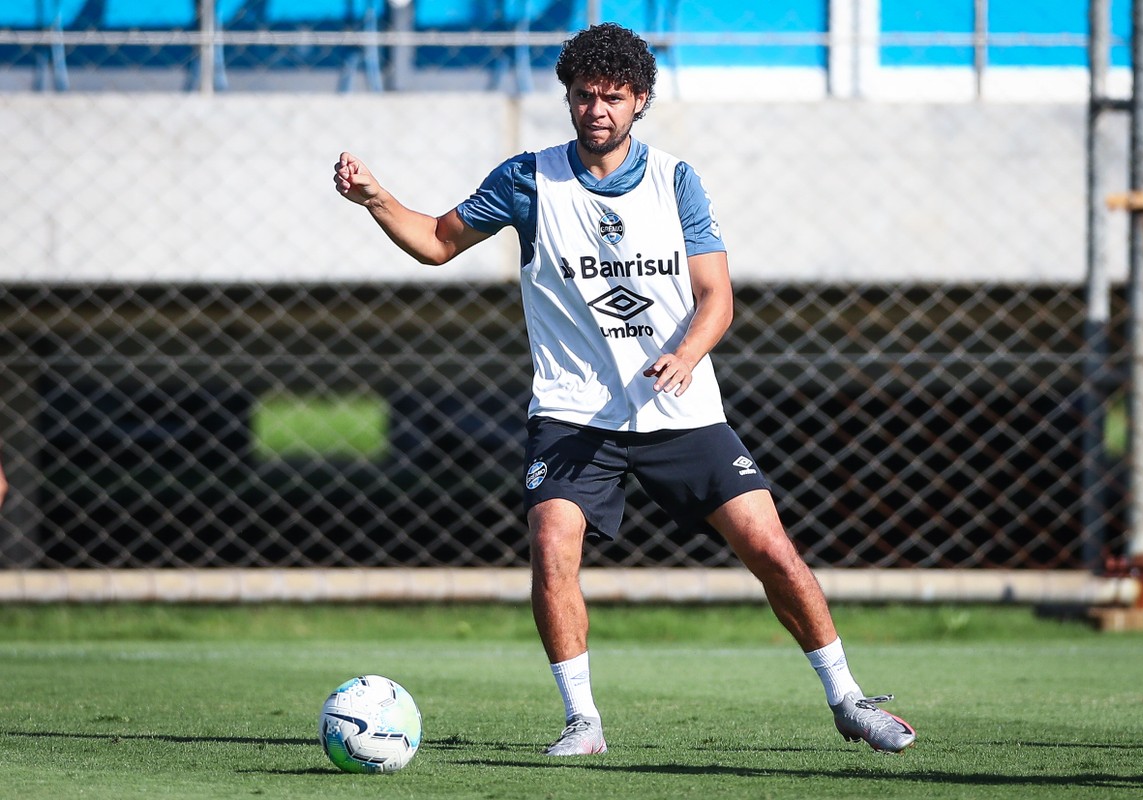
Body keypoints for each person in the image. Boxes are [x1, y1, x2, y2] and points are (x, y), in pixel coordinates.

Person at [334, 22, 916, 756]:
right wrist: (377, 198)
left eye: (613, 97)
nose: (597, 110)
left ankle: (848, 699)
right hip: (574, 413)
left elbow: (717, 299)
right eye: (584, 96)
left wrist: (686, 354)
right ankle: (583, 721)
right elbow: (438, 243)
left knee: (771, 547)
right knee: (551, 547)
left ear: (639, 100)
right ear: (569, 98)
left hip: (681, 409)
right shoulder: (527, 179)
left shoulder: (677, 181)